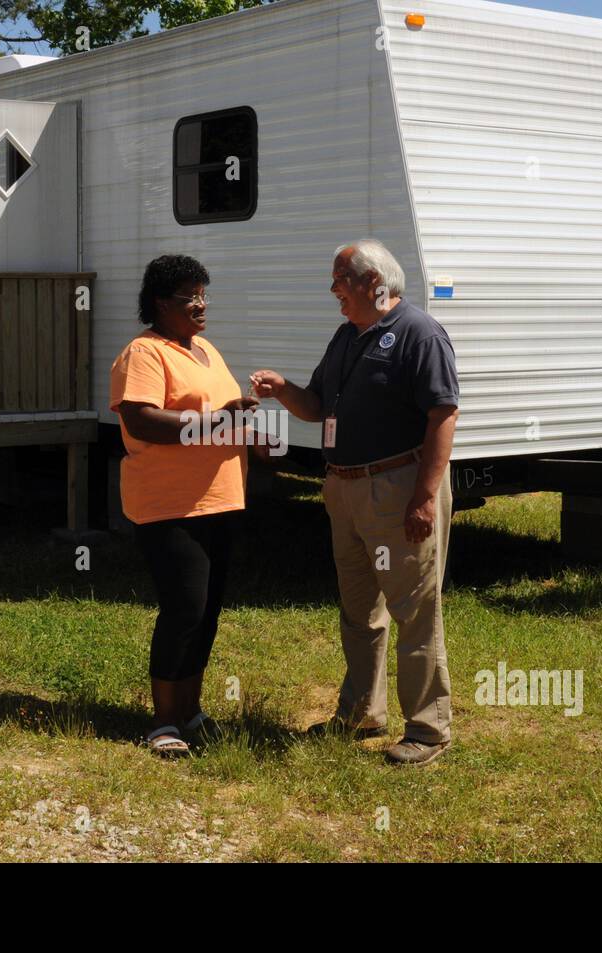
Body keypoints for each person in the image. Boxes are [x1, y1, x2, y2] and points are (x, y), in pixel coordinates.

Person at [250, 239, 460, 766]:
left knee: (415, 610)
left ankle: (428, 729)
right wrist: (283, 389)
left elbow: (443, 416)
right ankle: (362, 711)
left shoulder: (419, 333)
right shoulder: (347, 336)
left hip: (397, 487)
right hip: (344, 488)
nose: (333, 289)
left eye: (341, 278)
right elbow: (319, 405)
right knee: (359, 607)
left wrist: (423, 497)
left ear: (374, 283)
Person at [109, 254, 259, 758]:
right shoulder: (144, 353)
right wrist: (219, 421)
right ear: (159, 304)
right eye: (188, 297)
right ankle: (162, 721)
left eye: (203, 294)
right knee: (184, 608)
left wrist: (251, 434)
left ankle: (190, 711)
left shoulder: (205, 350)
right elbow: (143, 421)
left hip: (220, 499)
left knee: (209, 610)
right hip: (170, 505)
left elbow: (218, 413)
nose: (201, 304)